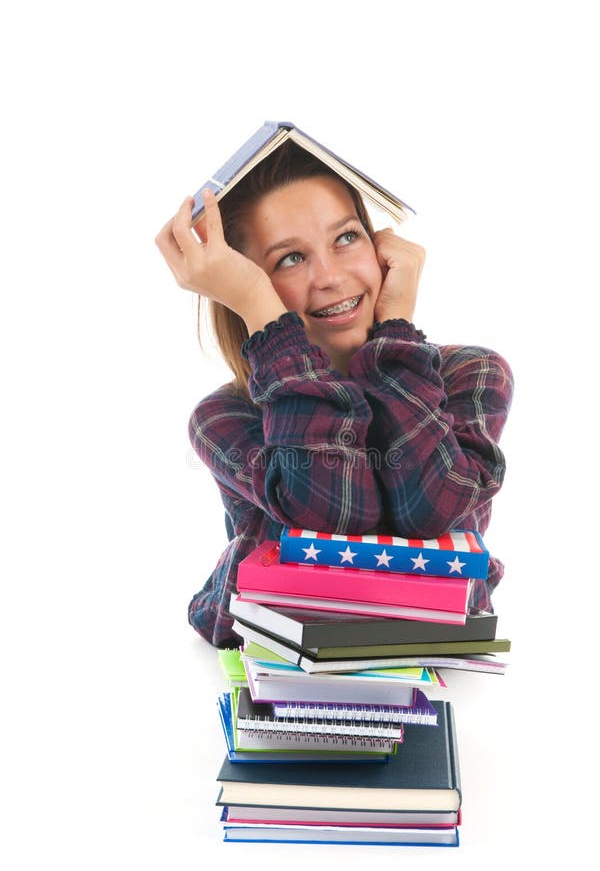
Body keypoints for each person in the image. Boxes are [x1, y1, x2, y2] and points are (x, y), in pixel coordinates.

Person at [155, 143, 513, 648]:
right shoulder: (223, 417)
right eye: (290, 258)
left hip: (442, 646)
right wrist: (263, 314)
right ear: (244, 283)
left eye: (346, 237)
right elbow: (332, 518)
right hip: (281, 651)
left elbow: (432, 506)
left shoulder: (471, 373)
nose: (330, 278)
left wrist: (396, 334)